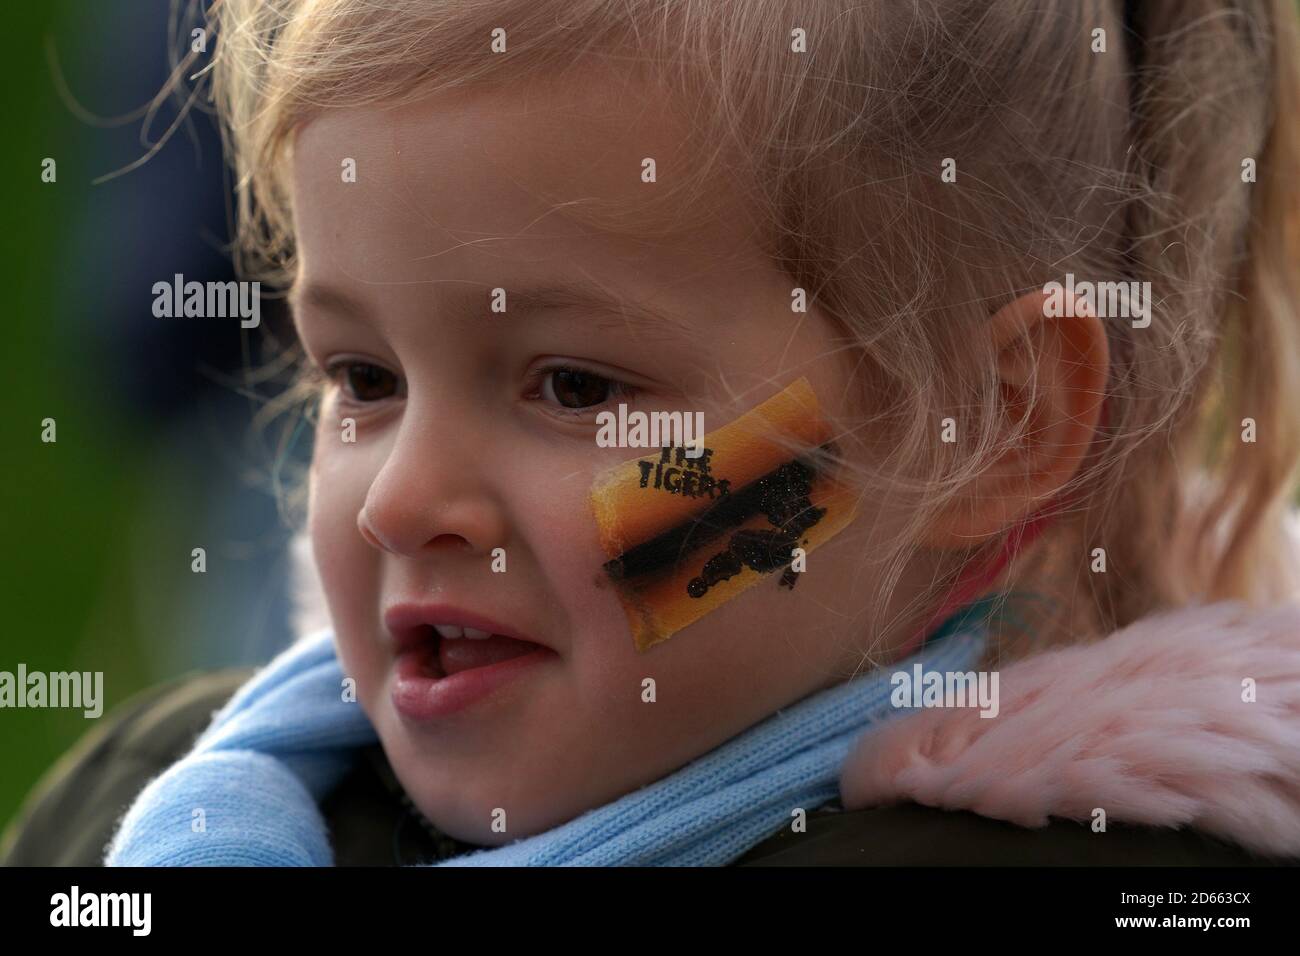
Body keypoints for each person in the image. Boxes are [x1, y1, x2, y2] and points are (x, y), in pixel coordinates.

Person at [5, 0, 1300, 866]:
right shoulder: (126, 805)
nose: (401, 501)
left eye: (574, 388)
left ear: (992, 423)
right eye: (363, 376)